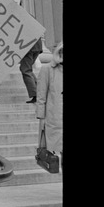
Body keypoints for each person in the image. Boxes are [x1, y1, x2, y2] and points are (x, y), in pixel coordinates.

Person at [36, 40, 63, 169]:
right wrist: (41, 118)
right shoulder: (47, 69)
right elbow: (41, 96)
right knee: (58, 153)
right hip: (55, 120)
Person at [20, 36, 44, 104]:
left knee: (26, 70)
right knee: (28, 69)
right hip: (37, 46)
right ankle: (39, 92)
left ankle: (35, 94)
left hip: (28, 46)